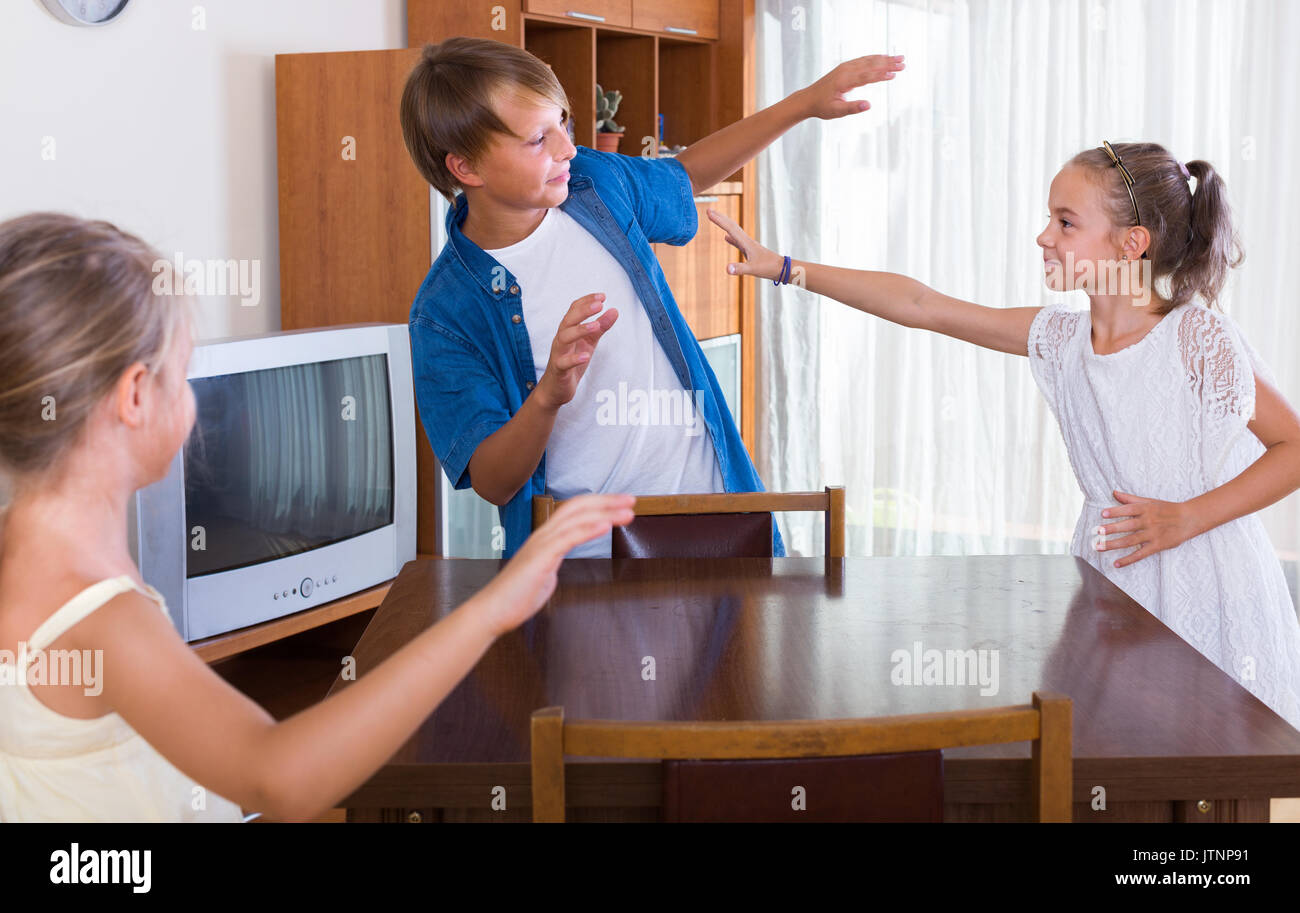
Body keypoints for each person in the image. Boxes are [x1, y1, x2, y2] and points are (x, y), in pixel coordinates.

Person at [0, 212, 635, 821]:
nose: (192, 401)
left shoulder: (29, 557)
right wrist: (490, 611)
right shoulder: (101, 618)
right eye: (182, 374)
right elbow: (280, 779)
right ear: (136, 396)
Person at [708, 141, 1300, 730]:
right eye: (1049, 218)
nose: (1045, 237)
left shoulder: (1195, 338)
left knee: (1206, 768)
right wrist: (788, 268)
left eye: (1065, 222)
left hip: (1206, 574)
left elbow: (1292, 448)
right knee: (1111, 756)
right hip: (1116, 571)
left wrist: (1187, 517)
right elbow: (923, 305)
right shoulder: (1060, 339)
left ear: (1132, 243)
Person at [399, 37, 904, 558]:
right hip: (584, 569)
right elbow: (493, 481)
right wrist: (549, 392)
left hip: (720, 523)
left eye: (564, 125)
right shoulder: (443, 313)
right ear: (466, 169)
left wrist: (805, 103)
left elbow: (685, 176)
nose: (566, 148)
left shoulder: (593, 184)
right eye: (536, 140)